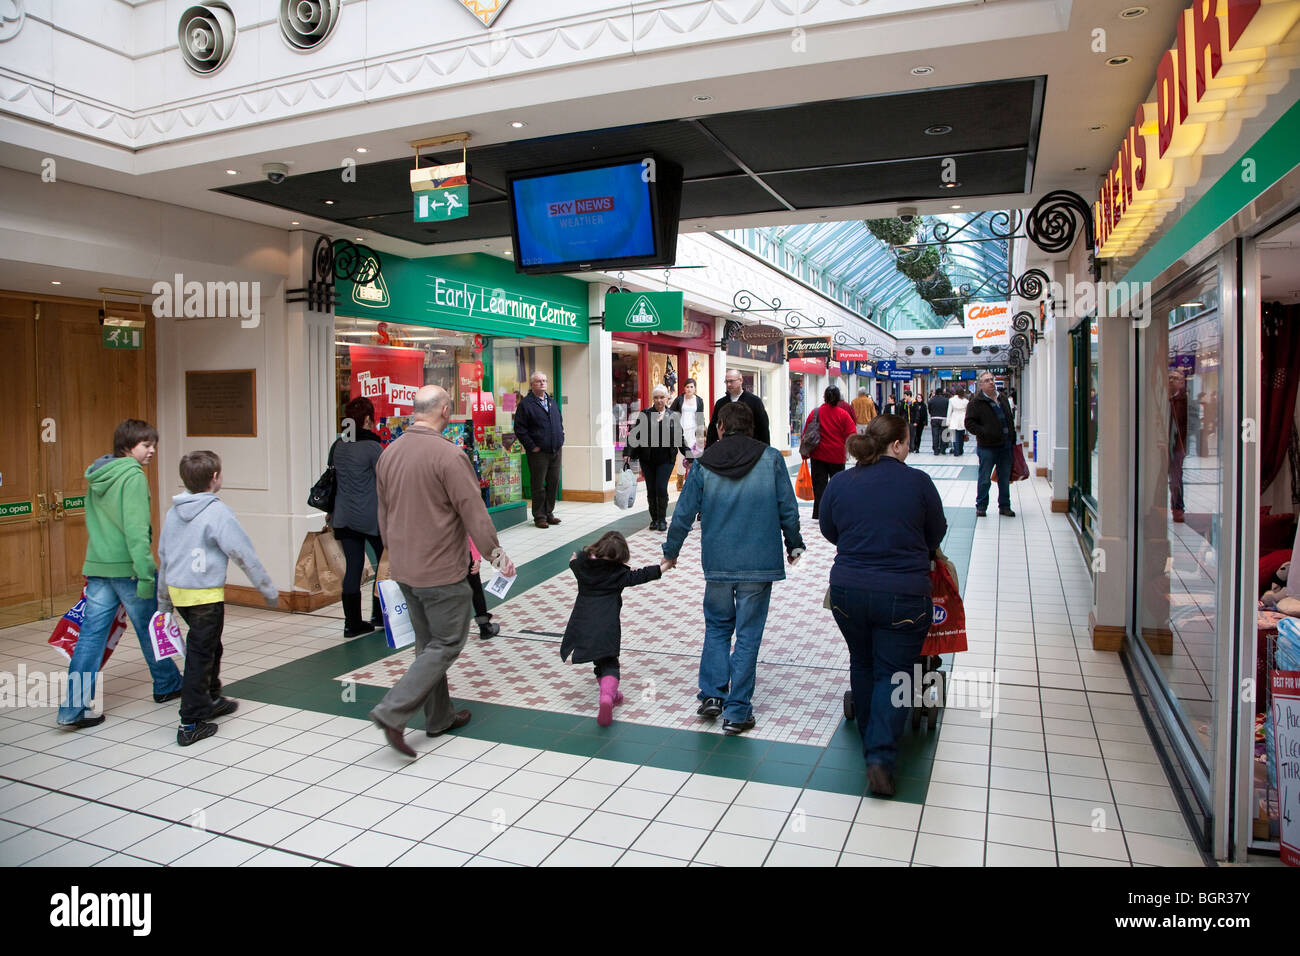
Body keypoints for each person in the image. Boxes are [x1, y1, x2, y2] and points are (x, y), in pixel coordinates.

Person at [370, 386, 516, 757]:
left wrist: (395, 556)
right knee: (447, 643)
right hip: (441, 572)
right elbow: (475, 514)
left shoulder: (389, 455)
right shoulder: (450, 456)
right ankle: (393, 710)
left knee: (427, 644)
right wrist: (497, 557)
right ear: (445, 411)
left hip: (404, 569)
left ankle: (438, 718)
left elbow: (383, 516)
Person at [819, 414, 947, 797]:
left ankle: (870, 748)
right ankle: (879, 758)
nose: (909, 449)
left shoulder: (842, 482)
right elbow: (935, 532)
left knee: (862, 663)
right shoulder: (918, 483)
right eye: (907, 442)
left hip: (847, 593)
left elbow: (829, 529)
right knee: (894, 673)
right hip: (904, 595)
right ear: (896, 445)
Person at [663, 402, 804, 736]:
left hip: (718, 562)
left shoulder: (704, 463)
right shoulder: (770, 458)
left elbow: (683, 512)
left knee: (717, 628)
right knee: (748, 635)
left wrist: (671, 551)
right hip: (759, 564)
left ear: (721, 428)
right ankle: (737, 712)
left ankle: (712, 696)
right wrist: (794, 544)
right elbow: (787, 505)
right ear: (751, 427)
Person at [56, 420, 183, 729]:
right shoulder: (133, 477)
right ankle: (166, 684)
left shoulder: (97, 475)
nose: (152, 450)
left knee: (91, 636)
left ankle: (74, 707)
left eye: (153, 443)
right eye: (146, 444)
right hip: (128, 569)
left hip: (98, 566)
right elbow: (136, 530)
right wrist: (146, 573)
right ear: (128, 446)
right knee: (149, 626)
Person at [157, 451, 278, 746]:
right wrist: (265, 587)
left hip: (179, 593)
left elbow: (163, 555)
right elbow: (241, 552)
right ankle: (190, 722)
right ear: (215, 478)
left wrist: (163, 601)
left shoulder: (174, 513)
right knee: (200, 654)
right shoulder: (218, 512)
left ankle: (211, 697)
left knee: (209, 646)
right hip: (205, 597)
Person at [561, 531, 671, 726]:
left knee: (599, 660)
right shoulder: (618, 573)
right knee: (610, 662)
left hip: (583, 623)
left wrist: (577, 557)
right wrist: (663, 568)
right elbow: (641, 575)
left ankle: (611, 694)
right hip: (608, 625)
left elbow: (573, 560)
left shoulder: (582, 568)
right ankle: (607, 696)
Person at [331, 396, 385, 638]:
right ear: (366, 419)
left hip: (344, 516)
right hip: (372, 517)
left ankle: (351, 623)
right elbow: (386, 481)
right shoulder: (373, 447)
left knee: (353, 567)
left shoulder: (338, 445)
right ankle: (379, 614)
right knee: (385, 563)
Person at [625, 384, 682, 532]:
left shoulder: (673, 416)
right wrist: (628, 453)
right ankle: (654, 519)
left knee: (661, 488)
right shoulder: (645, 414)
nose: (659, 400)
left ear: (667, 398)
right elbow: (634, 435)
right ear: (653, 399)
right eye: (656, 397)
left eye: (662, 397)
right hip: (647, 459)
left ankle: (662, 519)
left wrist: (689, 456)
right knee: (651, 490)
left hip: (666, 459)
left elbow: (679, 438)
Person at [513, 371, 564, 529]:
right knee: (538, 485)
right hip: (538, 452)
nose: (542, 383)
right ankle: (539, 517)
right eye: (538, 381)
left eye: (544, 380)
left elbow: (559, 422)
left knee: (554, 482)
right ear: (532, 385)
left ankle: (549, 513)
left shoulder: (552, 402)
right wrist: (532, 446)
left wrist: (561, 438)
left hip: (555, 449)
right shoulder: (526, 404)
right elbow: (520, 429)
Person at [964, 370, 1017, 518]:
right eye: (987, 380)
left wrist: (1012, 437)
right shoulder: (976, 402)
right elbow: (969, 423)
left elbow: (1009, 418)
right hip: (987, 447)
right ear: (980, 385)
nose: (991, 382)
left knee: (1004, 478)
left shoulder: (1002, 398)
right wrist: (984, 431)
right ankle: (981, 506)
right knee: (985, 478)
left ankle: (1005, 506)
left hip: (1005, 446)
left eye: (992, 379)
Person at [803, 385, 858, 520]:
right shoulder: (843, 414)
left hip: (818, 454)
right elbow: (852, 433)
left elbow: (806, 433)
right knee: (838, 485)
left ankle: (819, 513)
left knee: (819, 485)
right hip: (837, 456)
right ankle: (836, 511)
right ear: (838, 398)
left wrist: (804, 453)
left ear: (824, 397)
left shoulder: (815, 412)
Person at [706, 369, 770, 447]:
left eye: (731, 381)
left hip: (749, 448)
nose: (728, 384)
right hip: (726, 448)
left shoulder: (754, 401)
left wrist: (766, 450)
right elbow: (712, 428)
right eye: (726, 382)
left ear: (741, 380)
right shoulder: (721, 403)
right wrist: (708, 449)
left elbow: (763, 428)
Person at [670, 377, 707, 488]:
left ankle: (692, 479)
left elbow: (700, 416)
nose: (689, 389)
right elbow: (671, 412)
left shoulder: (699, 400)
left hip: (694, 431)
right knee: (683, 455)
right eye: (687, 387)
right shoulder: (679, 399)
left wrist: (702, 432)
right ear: (684, 388)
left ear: (695, 388)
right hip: (681, 431)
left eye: (691, 387)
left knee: (693, 455)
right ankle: (680, 480)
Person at [467, 537, 498, 638]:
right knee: (476, 590)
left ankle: (448, 633)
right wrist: (475, 556)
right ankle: (484, 627)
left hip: (440, 557)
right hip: (464, 553)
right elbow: (472, 531)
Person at [1168, 369, 1188, 523]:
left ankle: (1178, 508)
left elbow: (1190, 423)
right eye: (1176, 378)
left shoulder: (1184, 400)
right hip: (1161, 445)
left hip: (1177, 446)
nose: (1180, 381)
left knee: (1176, 478)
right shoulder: (1162, 399)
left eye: (1181, 378)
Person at [947, 386, 969, 457]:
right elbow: (967, 412)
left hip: (954, 418)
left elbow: (949, 411)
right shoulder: (966, 401)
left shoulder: (951, 400)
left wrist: (948, 421)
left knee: (955, 436)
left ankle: (956, 451)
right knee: (961, 436)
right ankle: (960, 450)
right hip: (963, 418)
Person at [928, 388, 950, 455]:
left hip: (934, 418)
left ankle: (936, 450)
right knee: (944, 434)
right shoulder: (946, 400)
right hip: (944, 418)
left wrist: (932, 414)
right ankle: (943, 449)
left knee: (935, 435)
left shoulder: (931, 400)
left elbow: (929, 409)